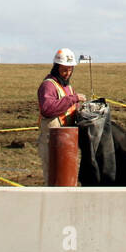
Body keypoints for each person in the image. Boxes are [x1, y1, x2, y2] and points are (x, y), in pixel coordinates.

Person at [36, 48, 86, 184]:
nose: (67, 73)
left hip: (67, 141)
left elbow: (70, 110)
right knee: (54, 180)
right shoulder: (48, 86)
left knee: (68, 180)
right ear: (56, 67)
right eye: (64, 69)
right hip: (51, 141)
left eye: (70, 70)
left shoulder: (68, 87)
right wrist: (73, 99)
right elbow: (48, 109)